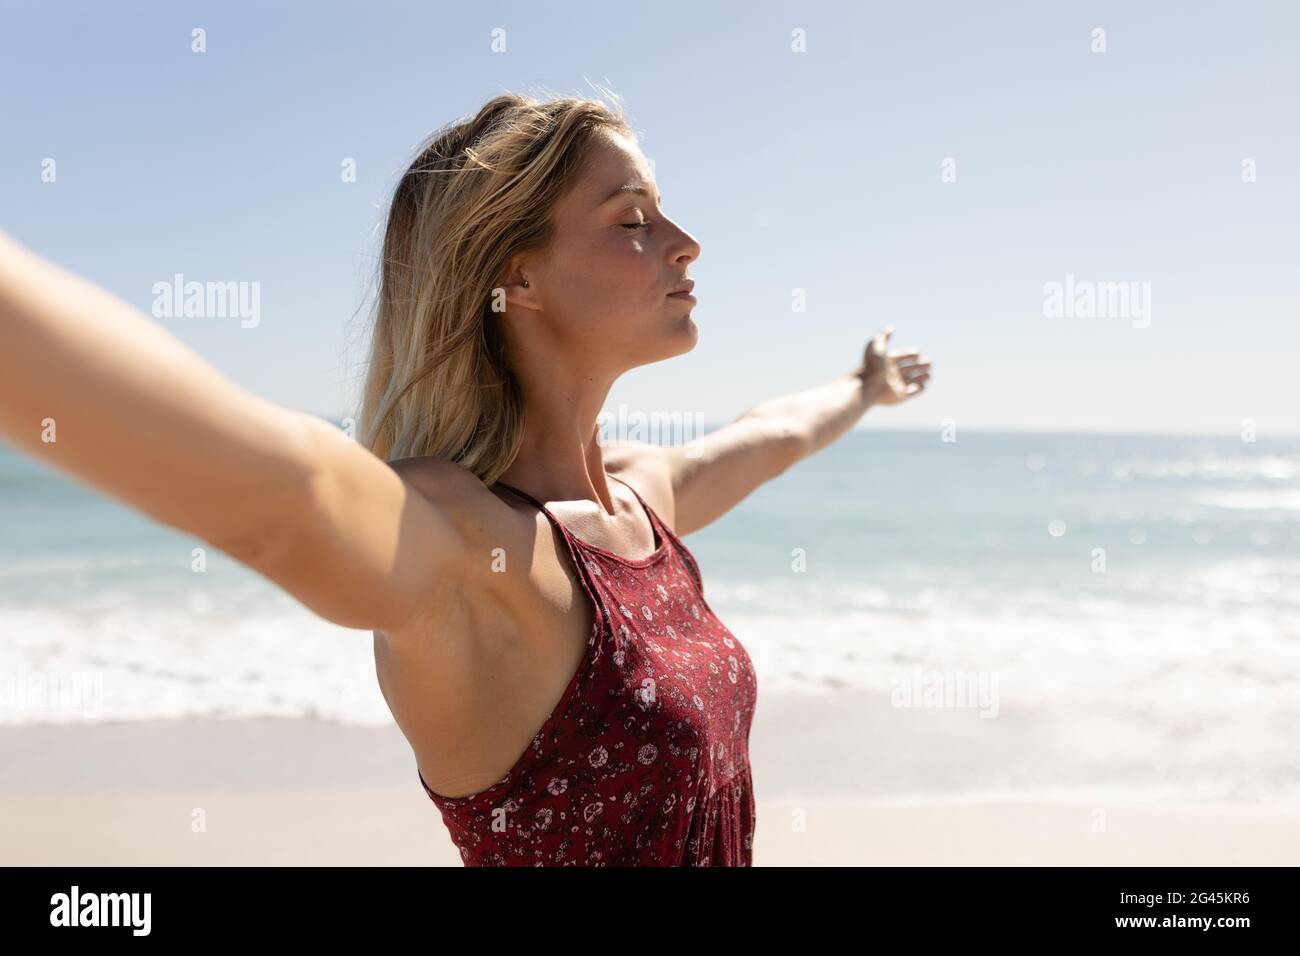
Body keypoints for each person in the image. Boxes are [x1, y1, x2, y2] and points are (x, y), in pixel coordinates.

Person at [0, 92, 931, 866]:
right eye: (633, 221)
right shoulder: (468, 545)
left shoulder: (641, 499)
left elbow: (770, 435)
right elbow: (277, 493)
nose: (686, 243)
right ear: (514, 280)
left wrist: (862, 389)